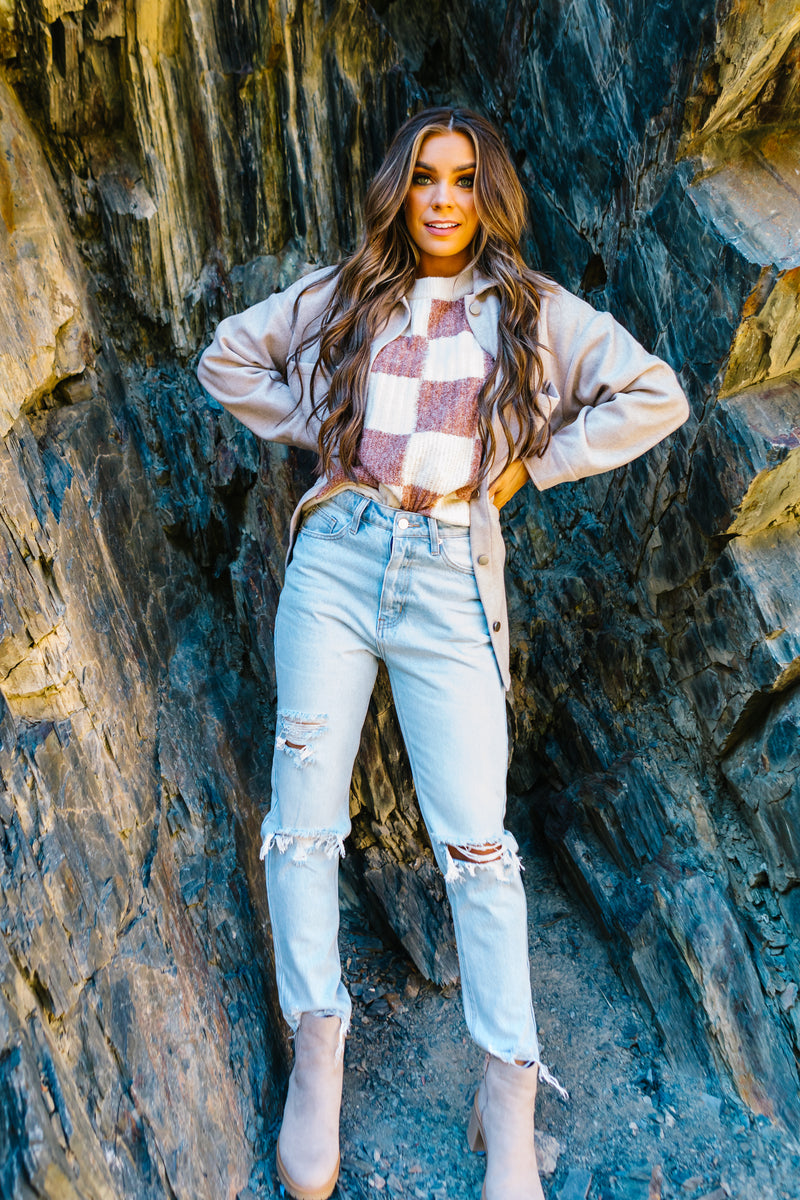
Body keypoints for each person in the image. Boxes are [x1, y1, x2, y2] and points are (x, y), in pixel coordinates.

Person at [197, 105, 689, 1200]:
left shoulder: (530, 310)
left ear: (487, 195)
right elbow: (225, 356)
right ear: (400, 189)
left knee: (477, 845)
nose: (442, 199)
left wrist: (528, 468)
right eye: (426, 176)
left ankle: (507, 1093)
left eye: (464, 180)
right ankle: (317, 1047)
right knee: (302, 822)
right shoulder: (347, 294)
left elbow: (655, 395)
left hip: (449, 575)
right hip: (338, 558)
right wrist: (323, 428)